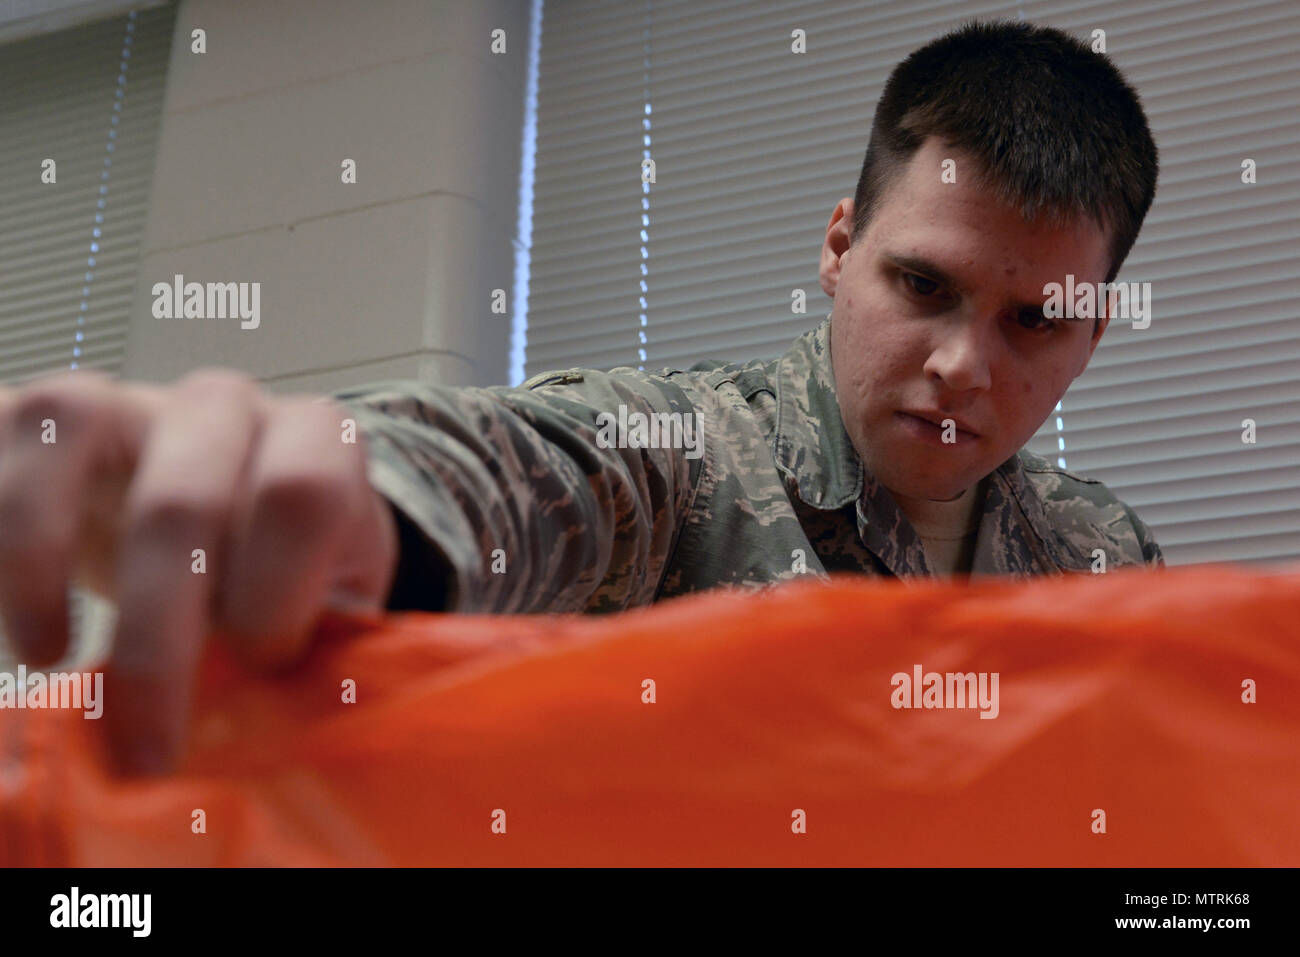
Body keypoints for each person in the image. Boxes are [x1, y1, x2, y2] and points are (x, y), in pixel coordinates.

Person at [0, 20, 1161, 775]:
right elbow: (520, 466)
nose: (964, 365)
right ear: (840, 249)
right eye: (922, 284)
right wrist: (357, 504)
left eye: (1035, 320)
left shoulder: (1106, 558)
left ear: (1093, 326)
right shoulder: (682, 453)